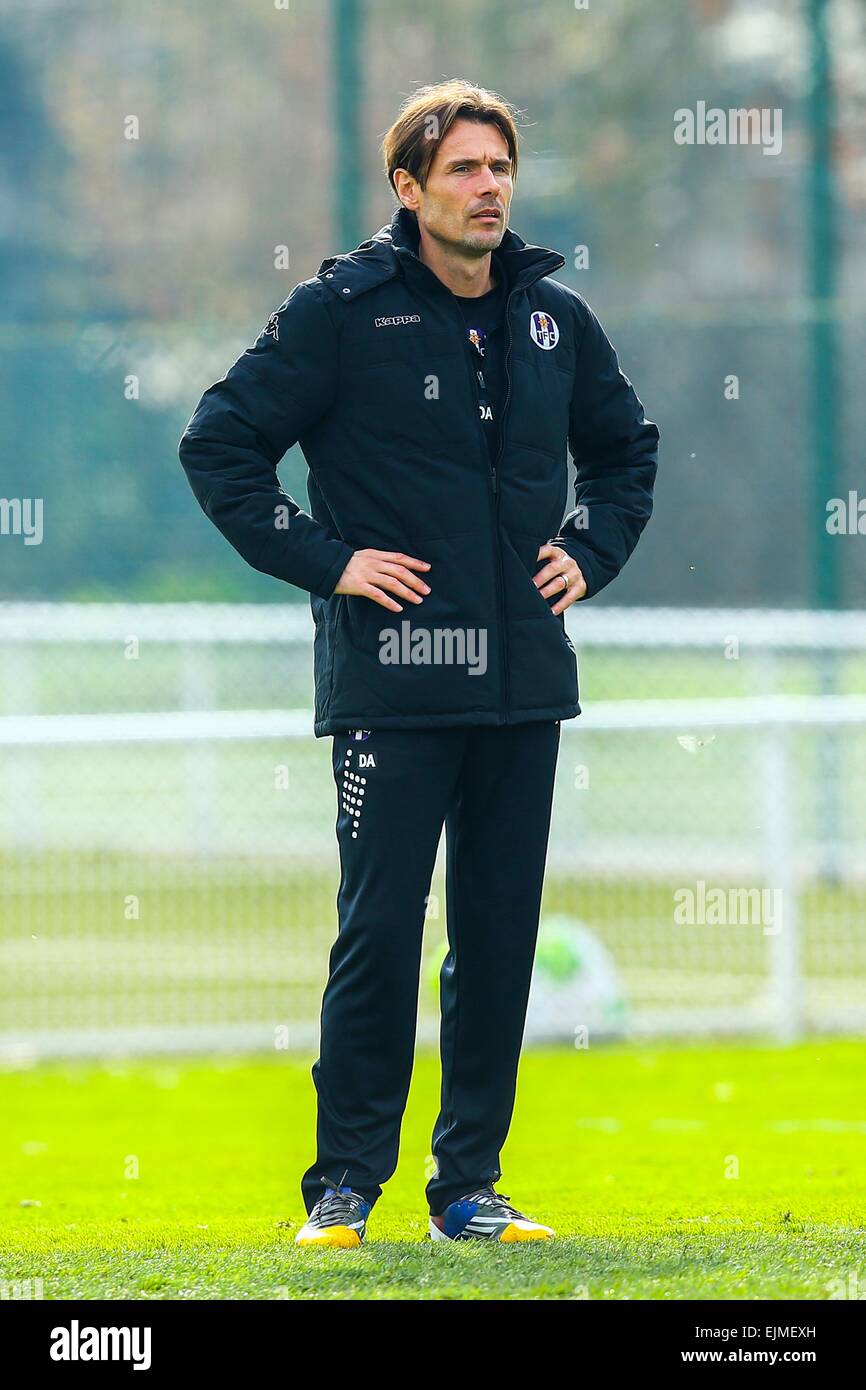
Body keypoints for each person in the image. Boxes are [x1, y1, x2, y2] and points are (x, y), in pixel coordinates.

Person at [178, 78, 659, 1247]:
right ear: (409, 187)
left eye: (499, 168)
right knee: (381, 928)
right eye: (462, 169)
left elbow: (625, 449)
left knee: (497, 936)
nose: (488, 187)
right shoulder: (340, 310)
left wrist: (587, 554)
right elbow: (220, 443)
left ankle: (470, 1190)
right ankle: (342, 1187)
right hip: (389, 683)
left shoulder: (553, 320)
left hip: (520, 684)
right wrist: (329, 563)